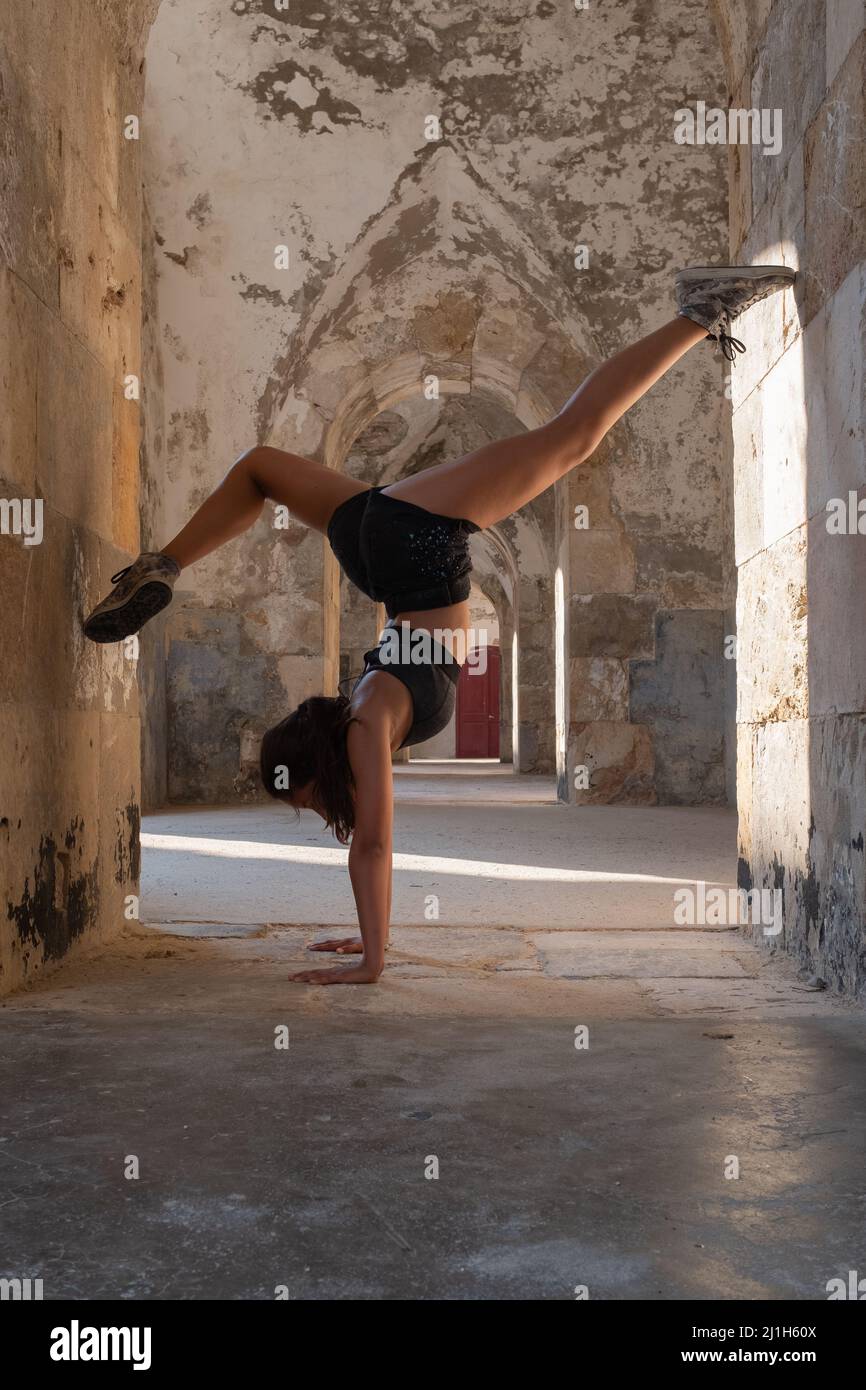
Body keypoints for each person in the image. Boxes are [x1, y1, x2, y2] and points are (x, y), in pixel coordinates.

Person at [84, 265, 795, 984]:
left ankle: (697, 312)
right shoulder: (366, 712)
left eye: (295, 793)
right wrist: (365, 940)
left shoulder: (368, 726)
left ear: (318, 765)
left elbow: (374, 848)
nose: (302, 807)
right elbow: (367, 844)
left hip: (416, 543)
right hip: (379, 549)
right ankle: (167, 564)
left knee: (573, 437)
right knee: (260, 468)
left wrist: (371, 961)